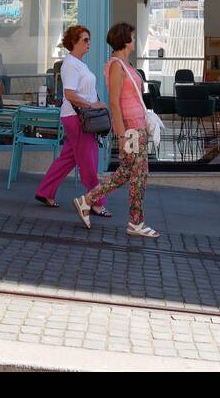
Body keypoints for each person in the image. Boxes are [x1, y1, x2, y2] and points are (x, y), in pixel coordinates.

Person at [74, 22, 158, 238]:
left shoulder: (126, 64)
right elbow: (114, 102)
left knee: (126, 173)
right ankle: (136, 223)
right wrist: (121, 134)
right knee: (138, 175)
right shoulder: (116, 66)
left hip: (137, 127)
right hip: (130, 128)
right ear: (125, 40)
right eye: (132, 36)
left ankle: (87, 201)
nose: (134, 39)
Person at [33, 25, 110, 215]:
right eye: (85, 40)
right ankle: (96, 202)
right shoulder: (70, 64)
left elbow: (82, 91)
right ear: (74, 42)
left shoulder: (79, 63)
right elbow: (69, 93)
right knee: (90, 161)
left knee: (68, 159)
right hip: (78, 118)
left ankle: (45, 191)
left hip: (79, 118)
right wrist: (91, 105)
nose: (89, 43)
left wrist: (94, 102)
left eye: (89, 39)